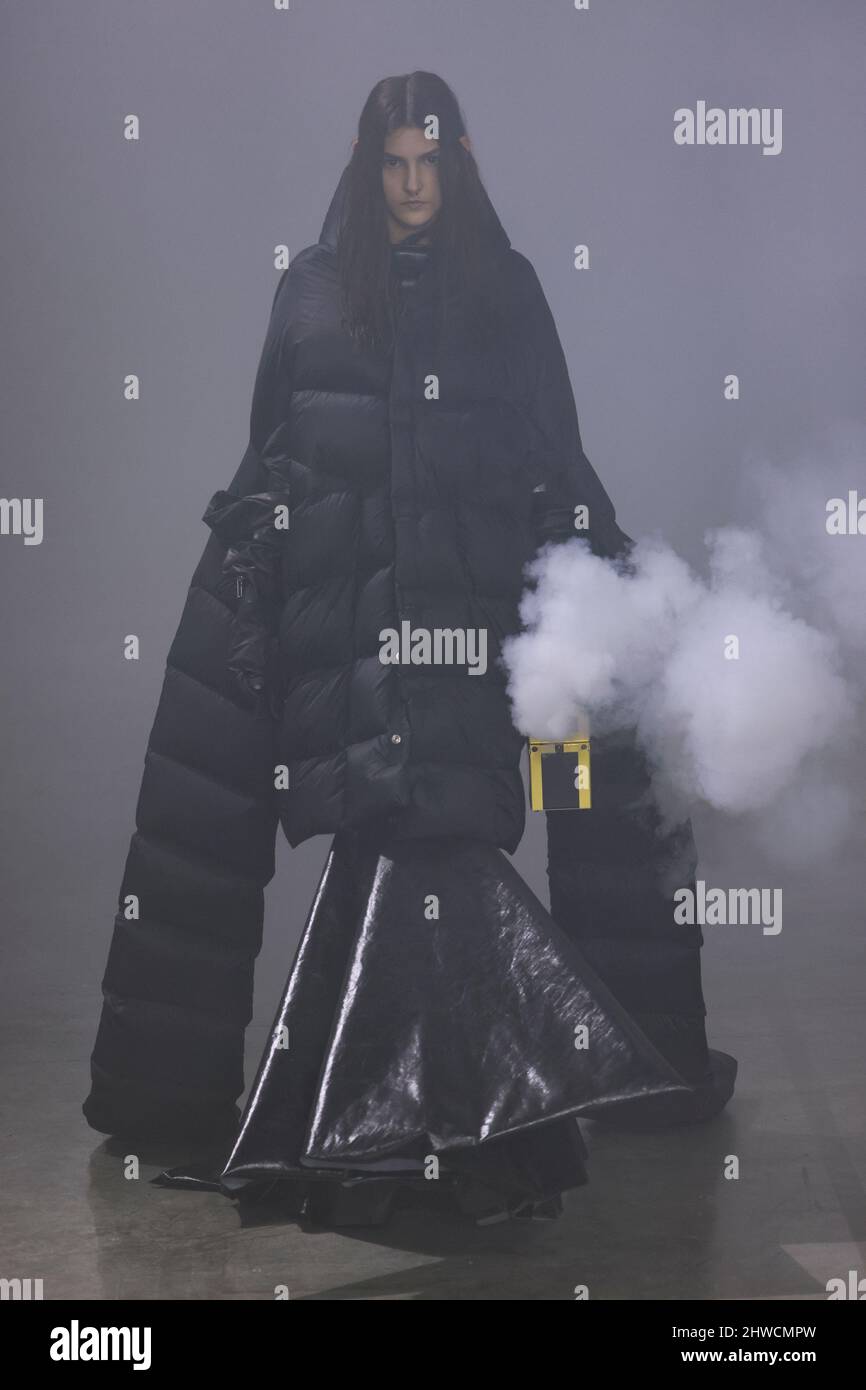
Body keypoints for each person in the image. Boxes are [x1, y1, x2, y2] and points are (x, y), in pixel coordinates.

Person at [84, 71, 735, 1228]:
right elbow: (268, 471)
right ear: (364, 165)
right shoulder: (315, 293)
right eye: (392, 164)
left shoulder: (508, 294)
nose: (412, 185)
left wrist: (590, 584)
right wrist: (253, 591)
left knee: (452, 859)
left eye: (430, 163)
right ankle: (387, 1126)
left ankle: (450, 1119)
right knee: (390, 857)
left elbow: (553, 459)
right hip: (356, 653)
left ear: (460, 160)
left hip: (473, 651)